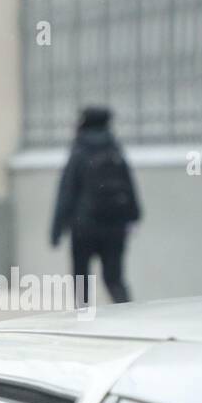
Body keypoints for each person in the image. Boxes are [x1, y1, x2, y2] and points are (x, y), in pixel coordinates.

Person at [50, 105, 141, 307]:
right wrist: (134, 217)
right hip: (115, 227)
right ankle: (129, 315)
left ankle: (83, 317)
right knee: (114, 278)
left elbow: (66, 191)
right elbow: (129, 186)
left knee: (81, 277)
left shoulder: (79, 151)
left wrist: (56, 230)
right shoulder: (115, 150)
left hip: (84, 227)